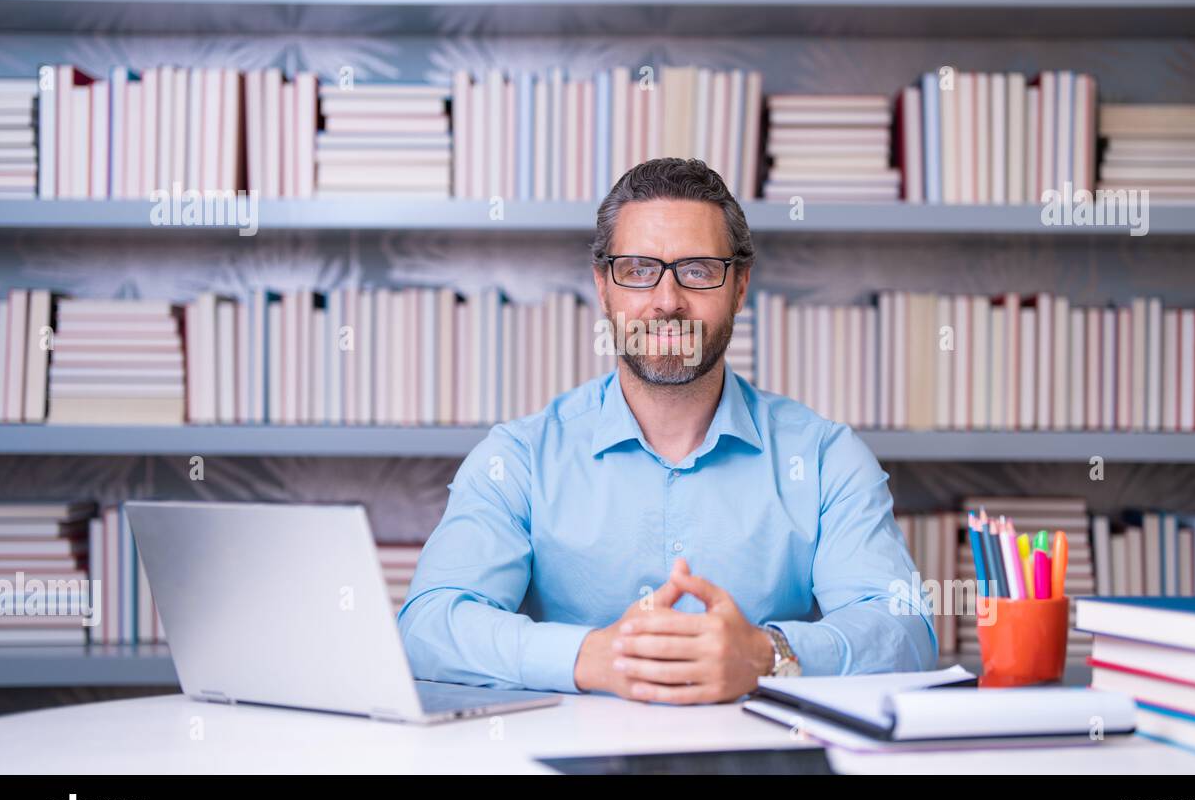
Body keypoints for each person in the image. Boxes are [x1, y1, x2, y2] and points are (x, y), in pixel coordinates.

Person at [398, 157, 937, 704]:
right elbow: (429, 625)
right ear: (604, 287)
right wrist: (594, 657)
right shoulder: (517, 458)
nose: (666, 300)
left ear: (740, 286)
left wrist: (765, 656)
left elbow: (904, 630)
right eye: (637, 269)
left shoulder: (825, 457)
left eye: (698, 270)